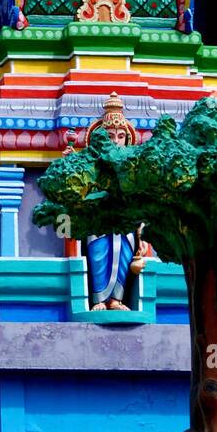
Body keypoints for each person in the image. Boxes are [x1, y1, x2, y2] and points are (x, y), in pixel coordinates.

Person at [82, 94, 150, 311]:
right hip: (99, 221)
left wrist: (142, 234)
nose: (115, 141)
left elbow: (140, 203)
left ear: (127, 140)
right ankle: (99, 299)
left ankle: (116, 300)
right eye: (110, 136)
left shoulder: (131, 171)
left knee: (123, 254)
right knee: (99, 253)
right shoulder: (94, 167)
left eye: (120, 136)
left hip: (124, 222)